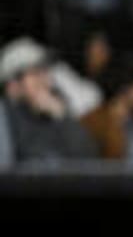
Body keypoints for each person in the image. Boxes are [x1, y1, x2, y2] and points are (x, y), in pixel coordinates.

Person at [0, 36, 96, 164]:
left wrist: (62, 117)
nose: (46, 80)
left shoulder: (56, 109)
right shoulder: (5, 118)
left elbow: (89, 160)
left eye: (45, 71)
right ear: (13, 85)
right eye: (36, 73)